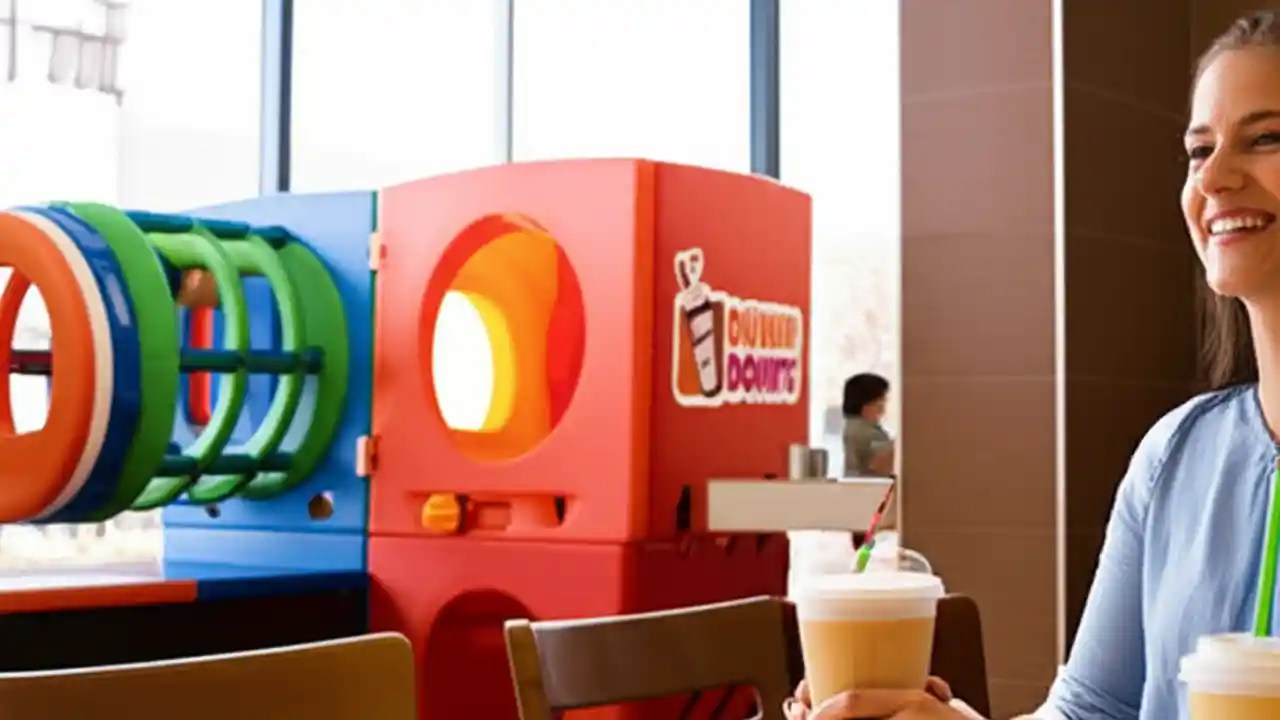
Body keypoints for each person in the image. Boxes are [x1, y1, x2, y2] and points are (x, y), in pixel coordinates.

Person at [784, 10, 1280, 719]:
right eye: (1200, 151)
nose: (1217, 178)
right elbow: (1089, 710)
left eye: (1265, 139)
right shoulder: (1173, 459)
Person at [841, 373, 895, 478]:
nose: (884, 404)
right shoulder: (865, 432)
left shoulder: (853, 426)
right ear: (868, 402)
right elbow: (879, 464)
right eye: (882, 399)